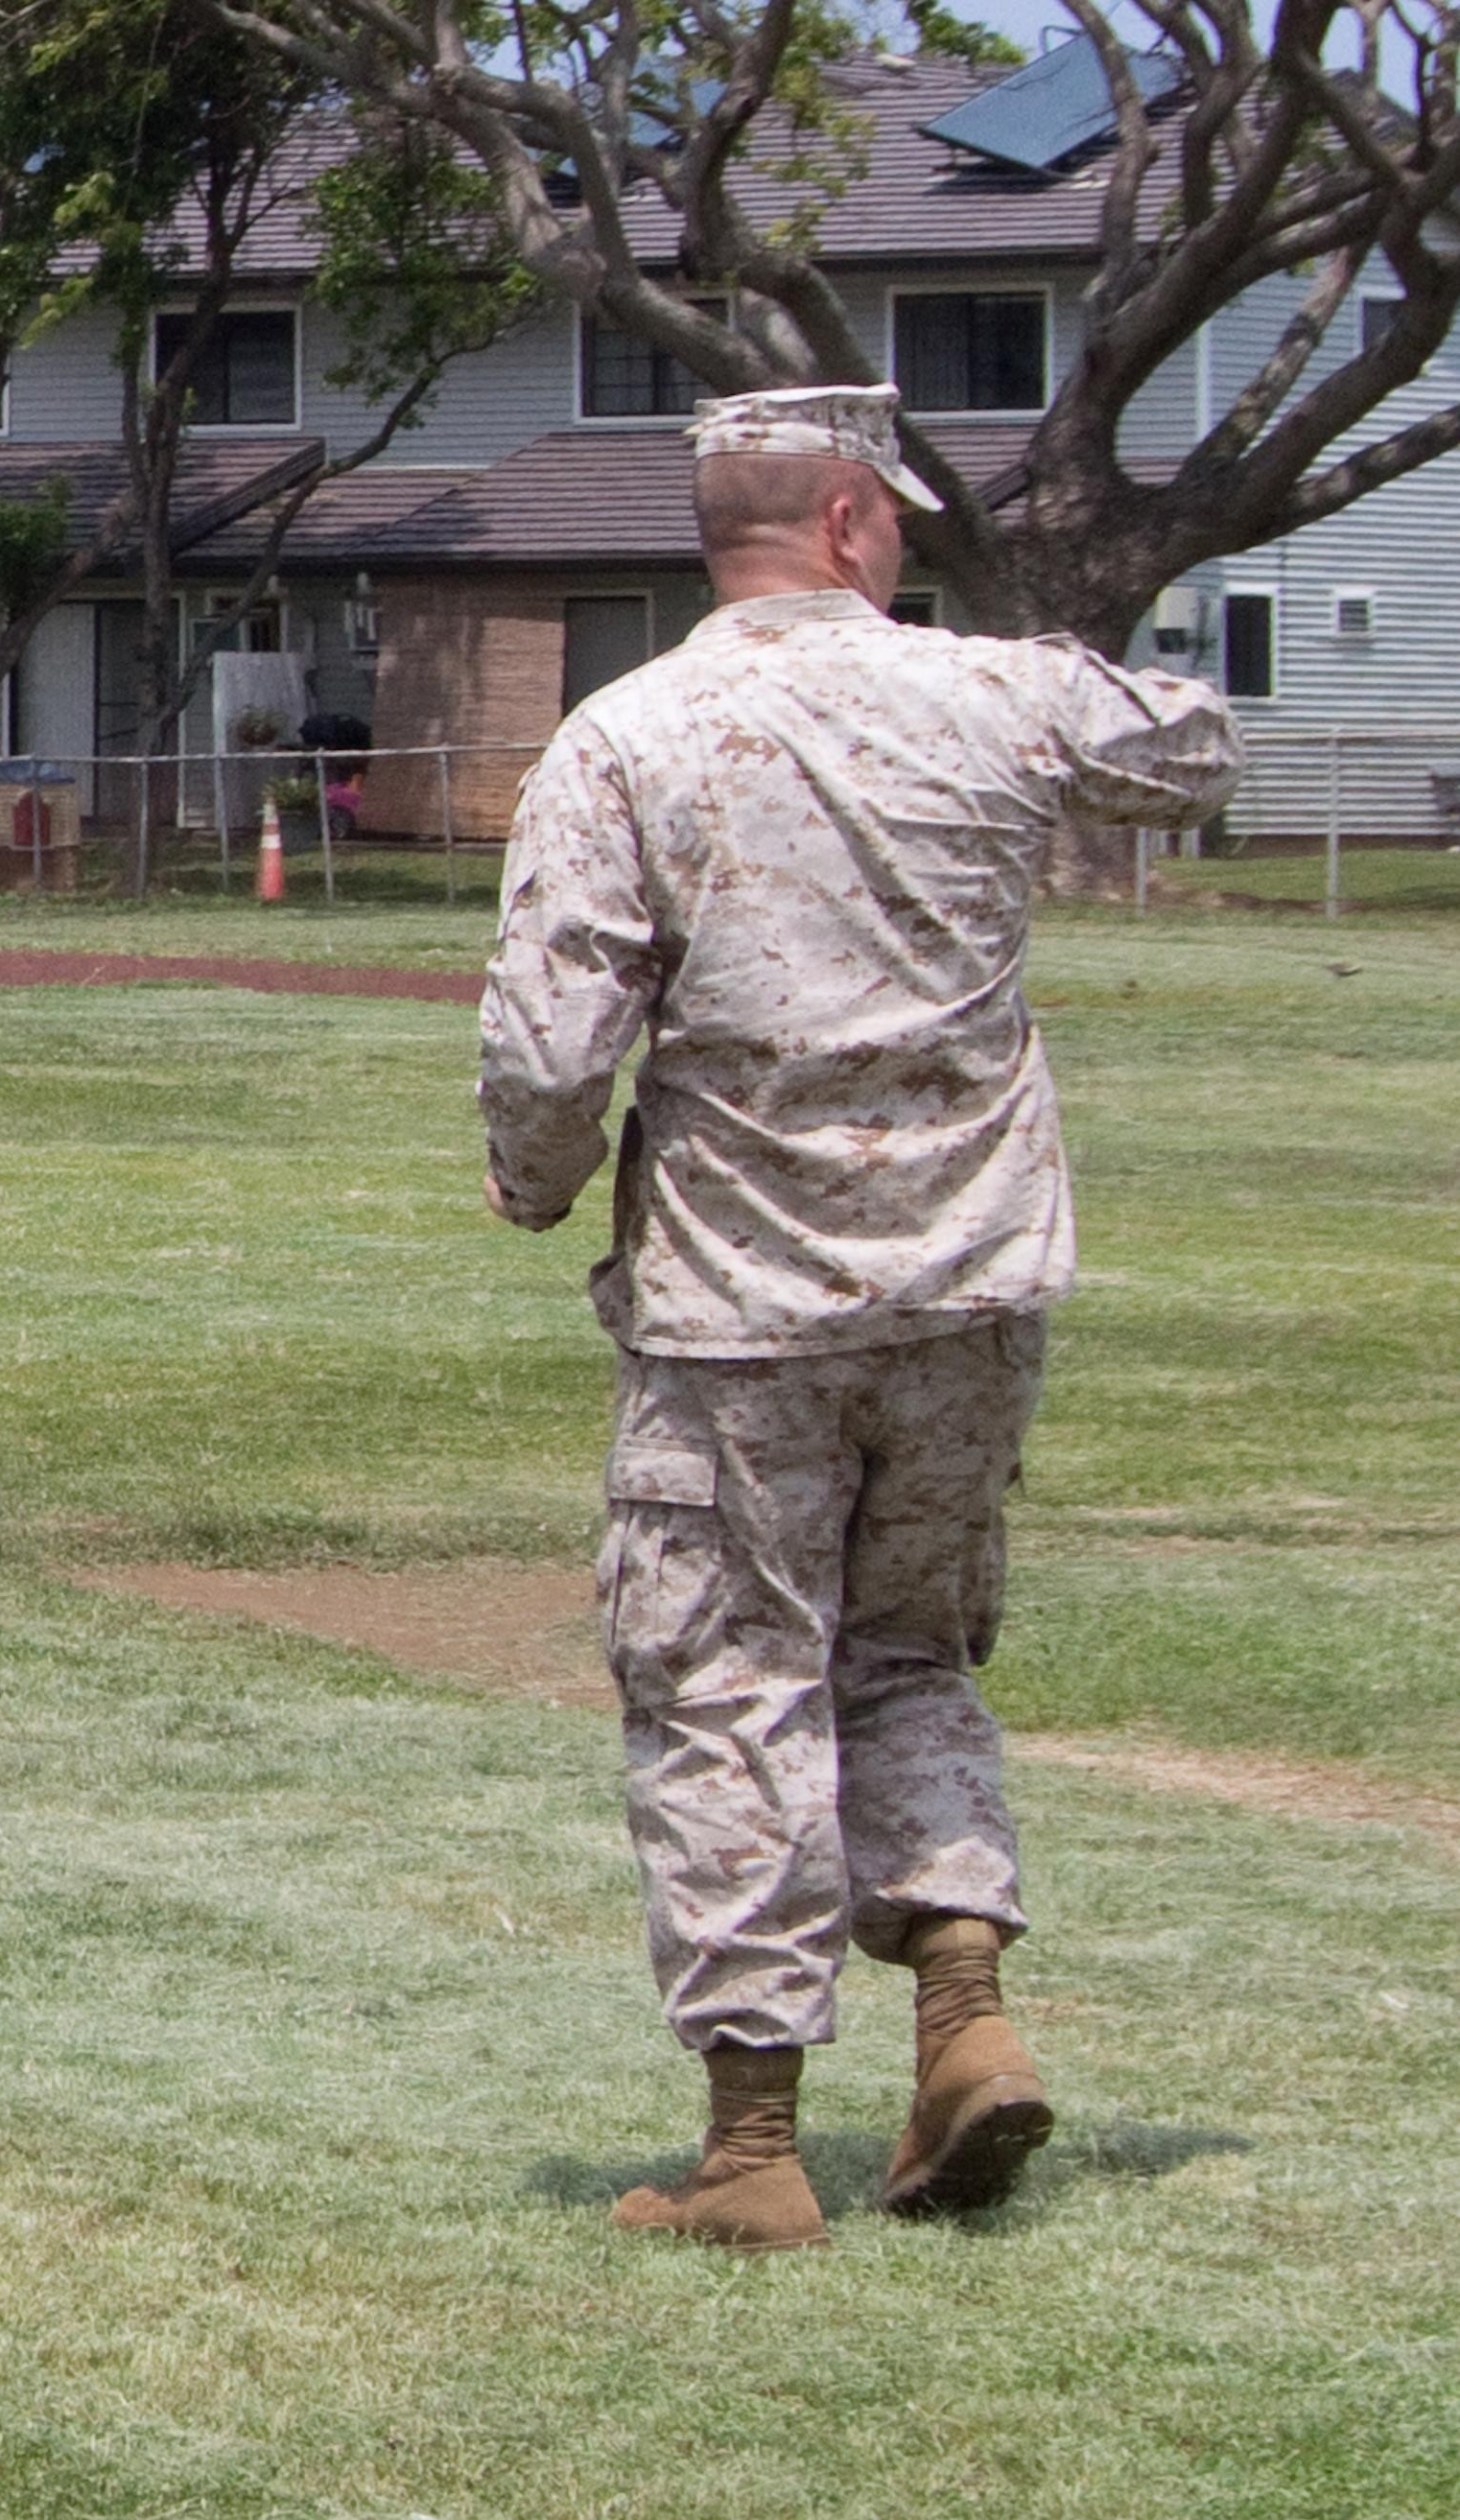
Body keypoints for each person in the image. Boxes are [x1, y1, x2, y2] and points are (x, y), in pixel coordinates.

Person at [482, 384, 1243, 2251]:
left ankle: (753, 2147)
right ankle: (962, 2010)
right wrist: (1021, 674)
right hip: (973, 1289)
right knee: (909, 1647)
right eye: (893, 512)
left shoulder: (625, 737)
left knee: (727, 1673)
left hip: (744, 1309)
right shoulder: (983, 693)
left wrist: (537, 1178)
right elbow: (1192, 744)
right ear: (844, 519)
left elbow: (551, 1046)